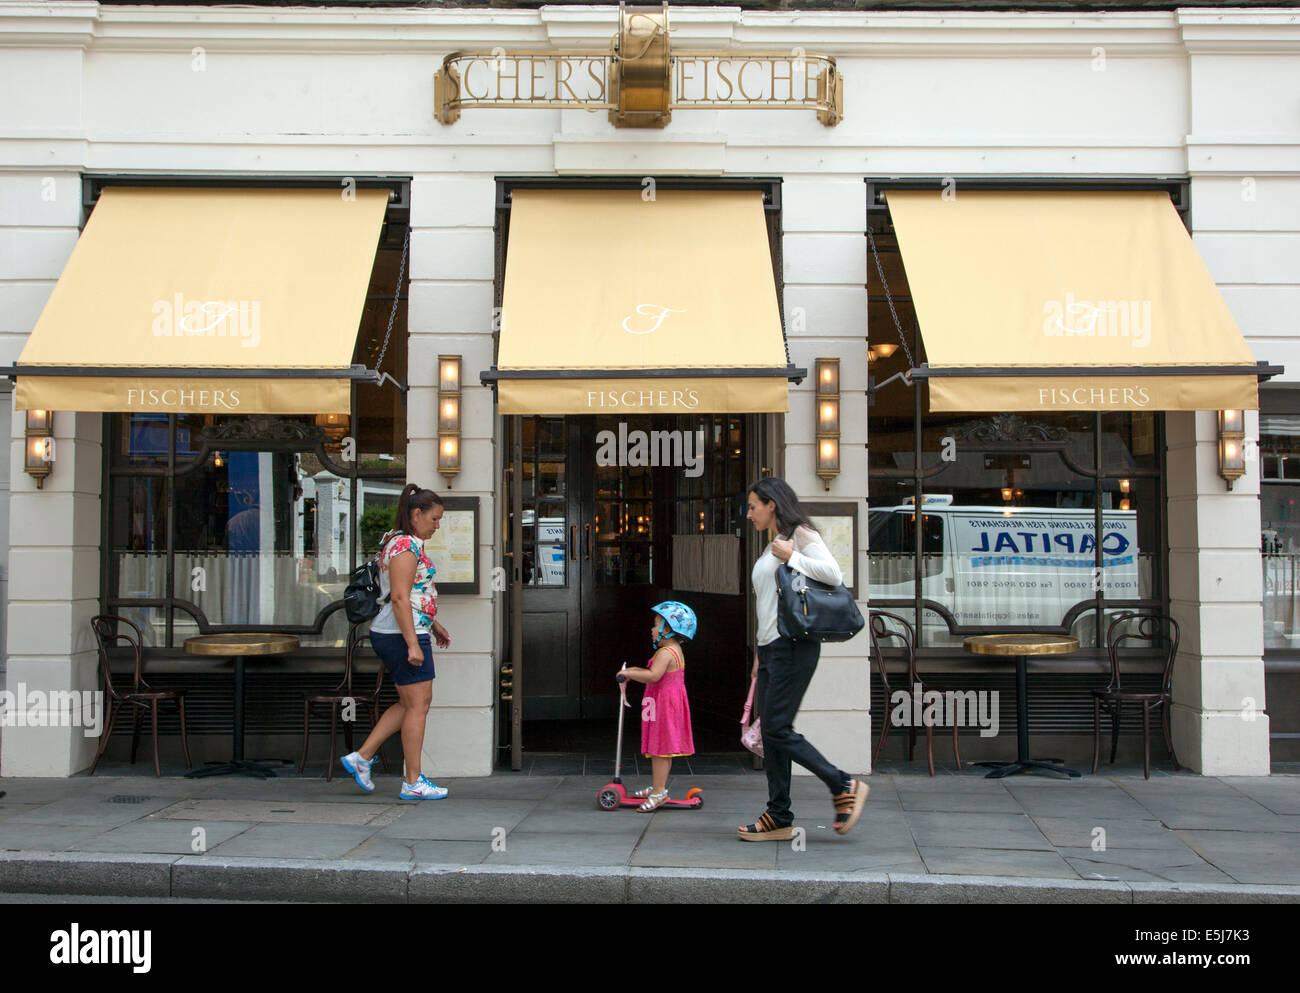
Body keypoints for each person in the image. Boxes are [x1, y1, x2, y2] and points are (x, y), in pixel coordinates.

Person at [737, 477, 868, 841]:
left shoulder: (800, 535)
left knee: (777, 728)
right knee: (772, 733)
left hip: (794, 646)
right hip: (771, 649)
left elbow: (834, 574)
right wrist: (758, 654)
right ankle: (778, 815)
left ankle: (842, 784)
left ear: (772, 504)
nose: (749, 514)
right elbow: (766, 604)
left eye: (753, 507)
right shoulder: (772, 545)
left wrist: (791, 556)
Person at [340, 484, 452, 800]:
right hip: (402, 635)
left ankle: (362, 757)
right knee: (419, 705)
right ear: (416, 515)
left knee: (409, 704)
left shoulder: (404, 543)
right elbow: (400, 598)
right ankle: (412, 780)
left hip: (405, 631)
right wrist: (413, 643)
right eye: (434, 518)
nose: (437, 525)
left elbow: (410, 596)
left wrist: (433, 625)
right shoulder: (404, 547)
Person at [618, 601, 696, 812]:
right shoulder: (673, 649)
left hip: (665, 706)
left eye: (656, 625)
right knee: (663, 748)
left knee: (661, 749)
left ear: (667, 629)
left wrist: (630, 674)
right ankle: (658, 785)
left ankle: (659, 791)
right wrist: (633, 670)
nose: (652, 630)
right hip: (666, 703)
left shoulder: (665, 653)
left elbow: (653, 676)